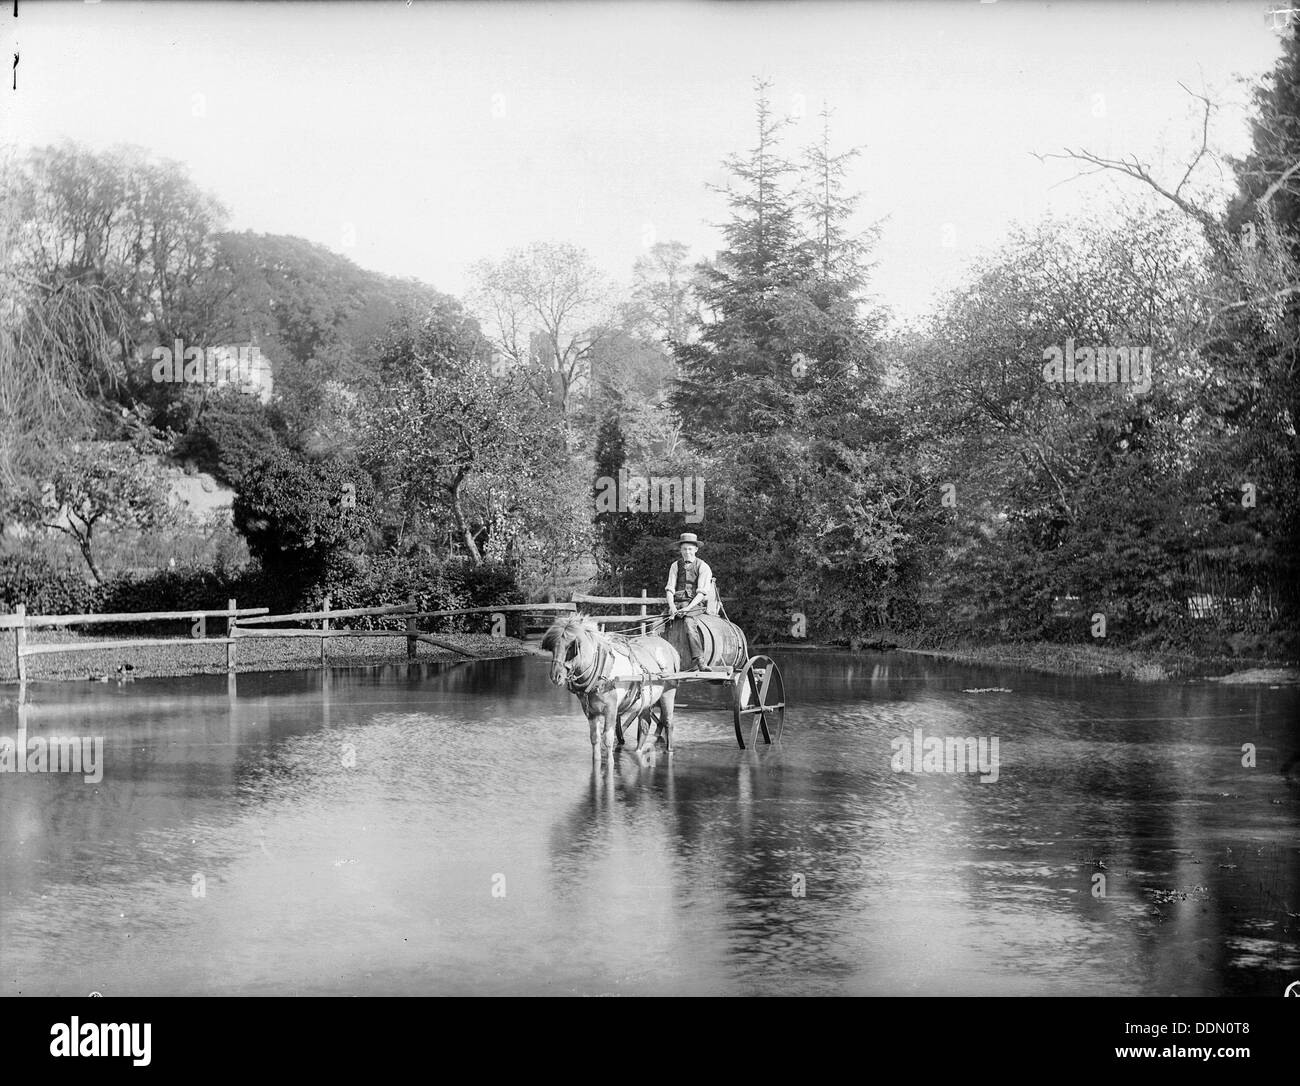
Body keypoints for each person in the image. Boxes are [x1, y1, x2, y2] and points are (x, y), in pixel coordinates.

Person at [665, 532, 712, 672]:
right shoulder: (675, 566)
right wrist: (672, 606)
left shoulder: (703, 567)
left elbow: (702, 593)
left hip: (694, 604)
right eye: (684, 549)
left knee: (689, 625)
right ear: (680, 550)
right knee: (657, 626)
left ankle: (700, 660)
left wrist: (688, 608)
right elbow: (669, 589)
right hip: (677, 604)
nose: (687, 552)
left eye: (690, 549)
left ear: (696, 549)